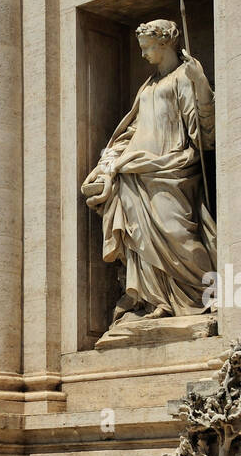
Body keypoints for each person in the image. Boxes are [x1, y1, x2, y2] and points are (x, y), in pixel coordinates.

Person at [82, 17, 216, 324]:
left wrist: (201, 84)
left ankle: (204, 291)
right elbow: (131, 131)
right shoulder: (148, 85)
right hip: (135, 170)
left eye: (147, 48)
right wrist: (108, 163)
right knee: (139, 237)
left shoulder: (184, 76)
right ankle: (157, 300)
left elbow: (204, 130)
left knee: (177, 232)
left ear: (165, 43)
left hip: (172, 166)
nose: (143, 55)